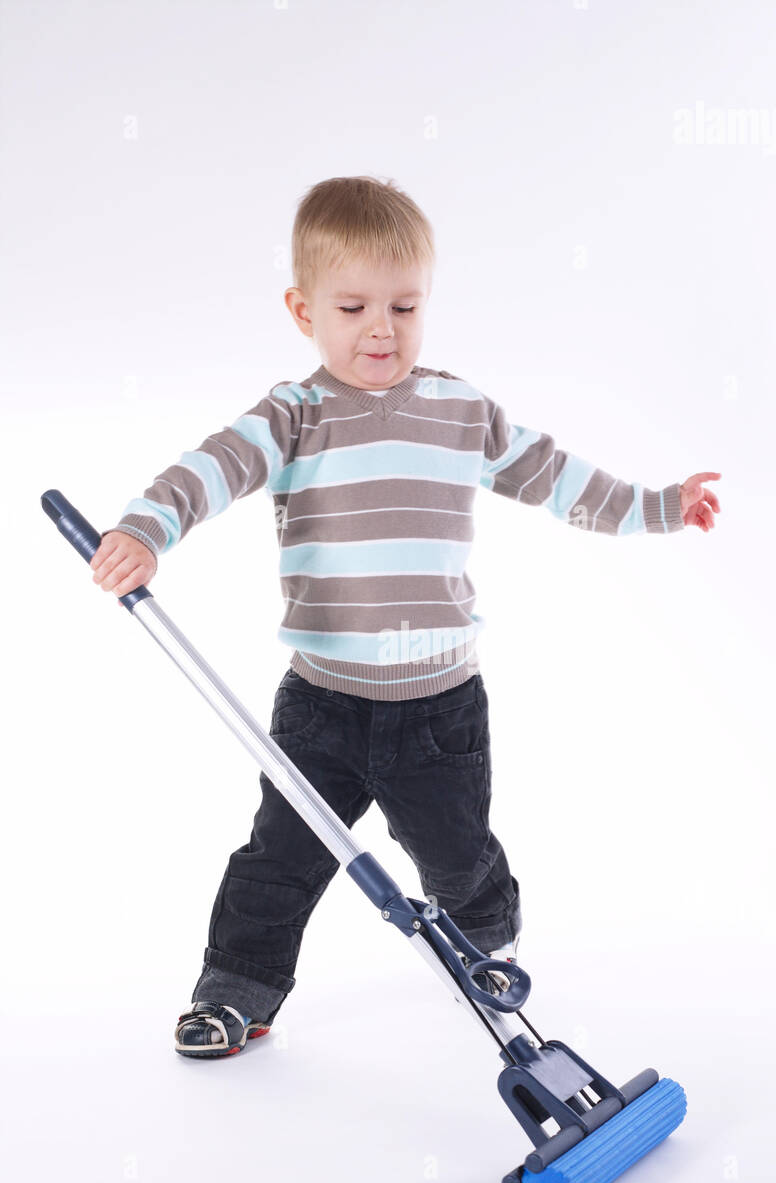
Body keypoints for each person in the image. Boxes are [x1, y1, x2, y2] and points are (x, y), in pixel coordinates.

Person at [88, 175, 721, 1058]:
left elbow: (559, 480)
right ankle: (235, 993)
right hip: (321, 706)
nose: (380, 329)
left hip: (439, 707)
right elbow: (209, 469)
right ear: (302, 309)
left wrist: (657, 505)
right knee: (279, 859)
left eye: (404, 306)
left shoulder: (460, 411)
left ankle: (489, 943)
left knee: (455, 858)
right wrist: (143, 532)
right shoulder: (294, 415)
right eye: (352, 307)